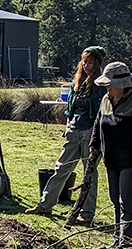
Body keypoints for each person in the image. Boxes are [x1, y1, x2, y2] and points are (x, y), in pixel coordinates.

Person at [25, 46, 106, 225]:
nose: (86, 65)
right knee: (61, 169)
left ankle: (86, 214)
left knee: (89, 174)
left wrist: (95, 130)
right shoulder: (76, 82)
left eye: (91, 62)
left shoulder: (101, 85)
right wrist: (68, 123)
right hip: (73, 131)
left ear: (97, 64)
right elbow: (71, 107)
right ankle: (45, 204)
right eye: (84, 61)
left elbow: (104, 111)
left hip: (90, 134)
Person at [87, 62, 132, 246]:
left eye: (109, 83)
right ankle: (117, 239)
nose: (107, 87)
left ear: (122, 83)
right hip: (112, 161)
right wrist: (94, 145)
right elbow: (98, 125)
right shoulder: (106, 100)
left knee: (126, 201)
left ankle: (127, 243)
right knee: (115, 200)